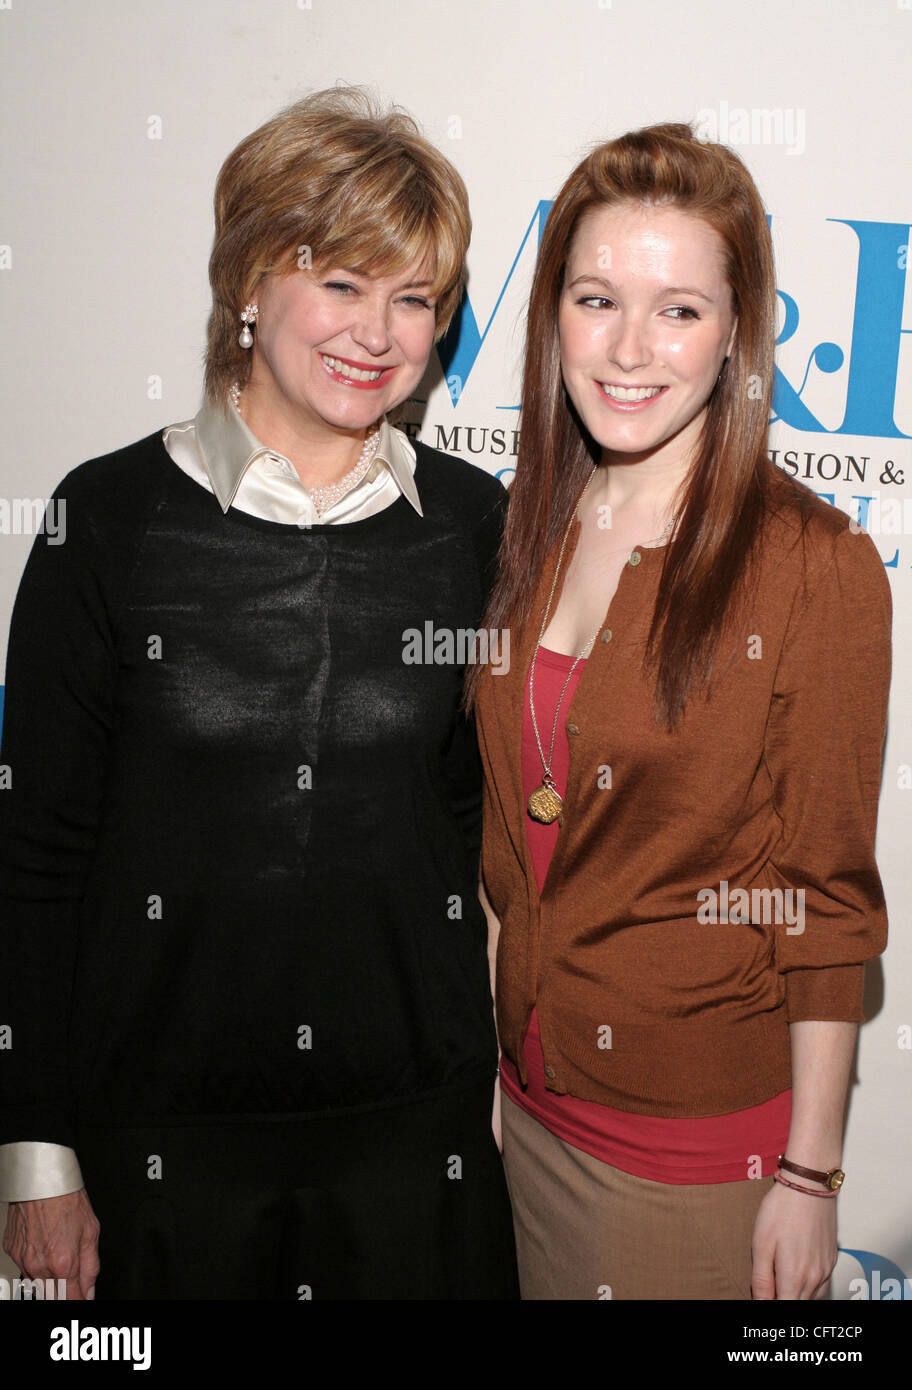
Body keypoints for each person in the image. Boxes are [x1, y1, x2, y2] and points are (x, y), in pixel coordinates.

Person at [0, 86, 518, 1300]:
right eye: (340, 283)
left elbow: (468, 828)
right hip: (156, 1151)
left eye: (414, 299)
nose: (378, 333)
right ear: (246, 283)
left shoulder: (474, 528)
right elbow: (34, 855)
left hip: (413, 1141)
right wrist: (35, 1150)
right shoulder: (105, 522)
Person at [470, 122, 892, 1300]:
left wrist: (808, 1179)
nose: (629, 349)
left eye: (680, 310)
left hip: (695, 1157)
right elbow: (511, 840)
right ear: (552, 311)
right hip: (520, 1113)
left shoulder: (814, 564)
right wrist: (500, 1074)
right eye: (598, 299)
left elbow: (824, 900)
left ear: (737, 337)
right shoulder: (528, 527)